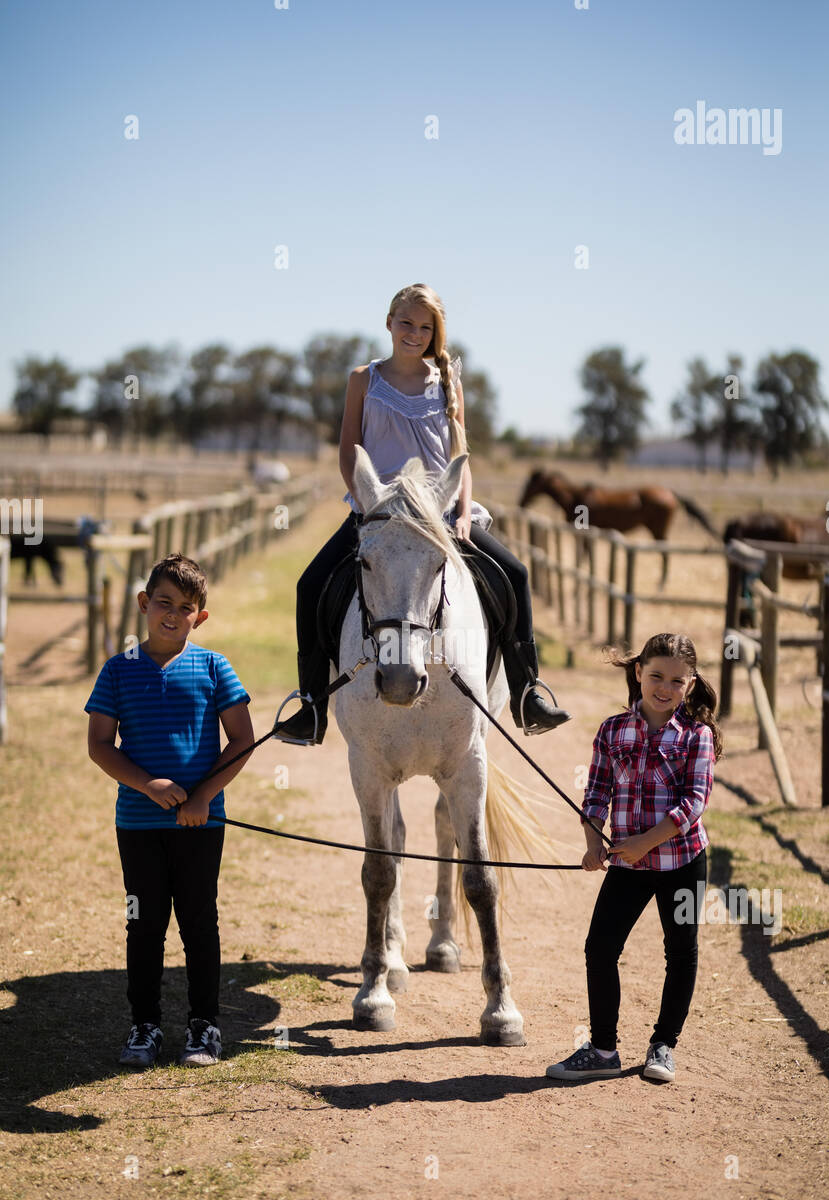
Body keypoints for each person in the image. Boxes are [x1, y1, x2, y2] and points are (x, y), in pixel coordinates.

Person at [275, 282, 571, 745]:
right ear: (389, 322)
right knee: (310, 584)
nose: (414, 333)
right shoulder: (362, 379)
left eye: (425, 327)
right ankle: (312, 706)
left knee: (513, 574)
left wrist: (461, 515)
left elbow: (461, 455)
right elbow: (348, 453)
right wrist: (370, 503)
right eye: (406, 323)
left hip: (439, 512)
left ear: (436, 332)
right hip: (377, 509)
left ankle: (526, 693)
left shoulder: (448, 380)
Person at [85, 554, 253, 1069]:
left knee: (199, 921)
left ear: (199, 617)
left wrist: (202, 798)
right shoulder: (118, 671)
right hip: (138, 825)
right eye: (164, 602)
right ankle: (146, 1025)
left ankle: (204, 1025)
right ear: (144, 604)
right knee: (144, 922)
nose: (173, 614)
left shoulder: (214, 667)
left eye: (186, 607)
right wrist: (147, 783)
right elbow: (99, 744)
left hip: (202, 825)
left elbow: (242, 740)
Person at [546, 632, 722, 1085]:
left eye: (677, 681)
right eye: (657, 676)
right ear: (639, 672)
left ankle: (663, 1045)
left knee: (681, 953)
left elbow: (693, 803)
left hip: (682, 861)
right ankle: (603, 1048)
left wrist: (646, 841)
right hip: (628, 866)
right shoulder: (612, 730)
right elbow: (596, 792)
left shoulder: (696, 736)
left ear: (691, 683)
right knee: (600, 949)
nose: (665, 688)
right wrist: (591, 842)